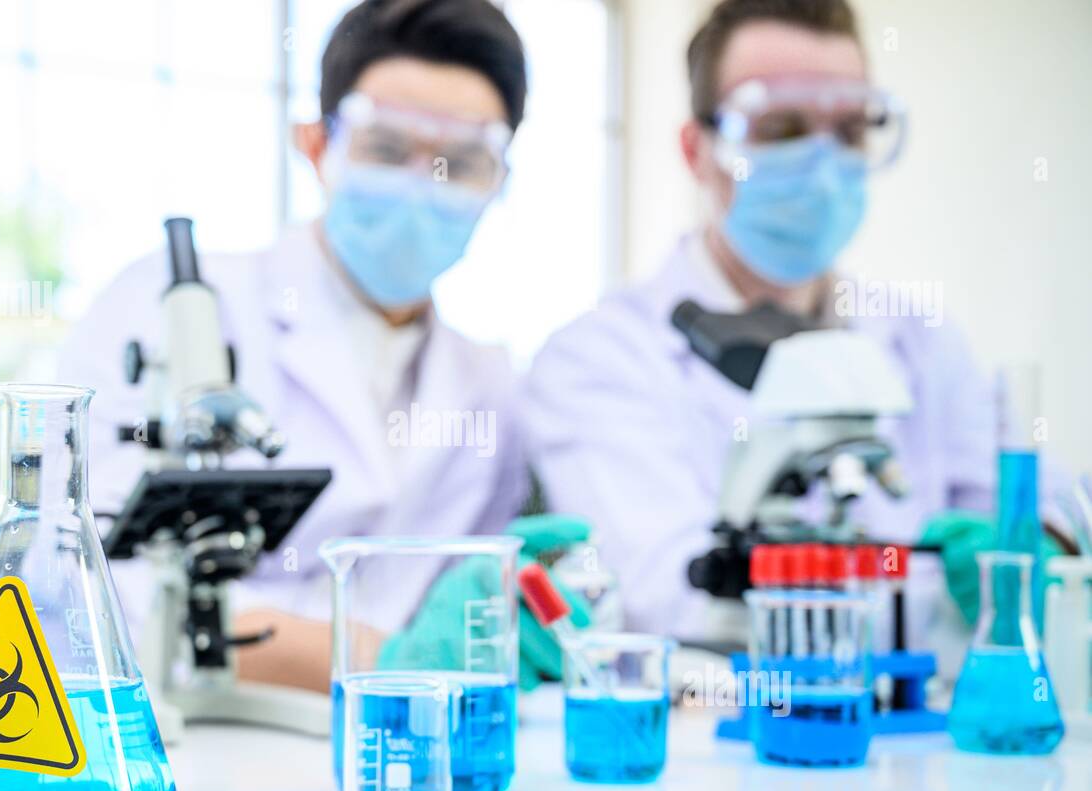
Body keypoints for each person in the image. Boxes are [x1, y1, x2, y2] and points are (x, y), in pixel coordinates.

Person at [59, 0, 560, 692]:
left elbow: (473, 595)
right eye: (386, 148)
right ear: (317, 144)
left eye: (463, 161)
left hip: (405, 757)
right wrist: (383, 662)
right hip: (186, 743)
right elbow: (90, 581)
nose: (423, 183)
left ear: (499, 182)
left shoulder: (489, 384)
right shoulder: (176, 304)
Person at [523, 0, 1010, 643]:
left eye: (849, 130)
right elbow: (669, 598)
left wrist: (1010, 568)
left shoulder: (928, 344)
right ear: (698, 151)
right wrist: (921, 593)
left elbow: (1022, 567)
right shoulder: (599, 359)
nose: (822, 162)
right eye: (779, 130)